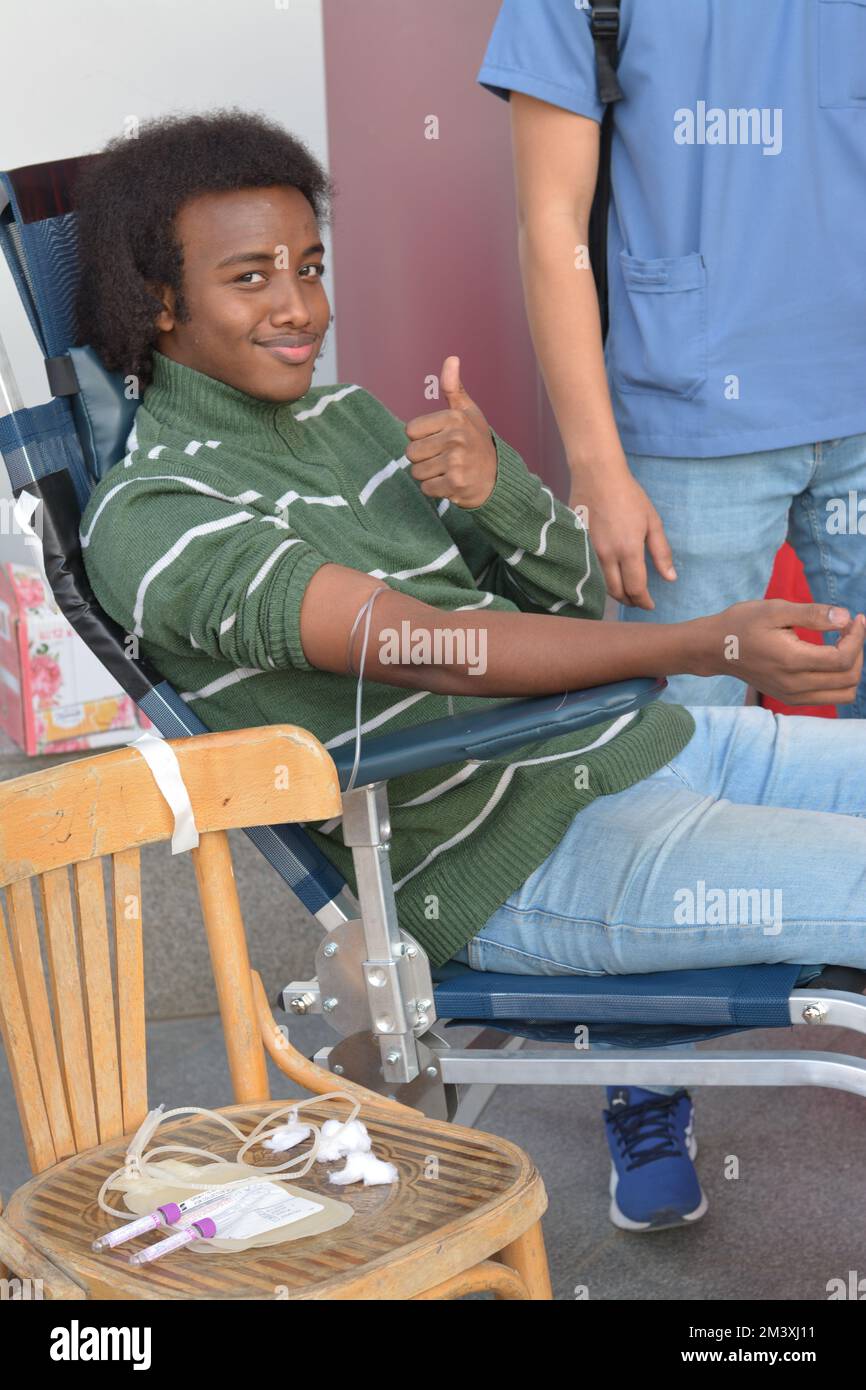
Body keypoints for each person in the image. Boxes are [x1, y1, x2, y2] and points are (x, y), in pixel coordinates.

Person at [77, 111, 866, 1234]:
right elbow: (423, 642)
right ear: (159, 305)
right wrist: (705, 643)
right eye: (250, 278)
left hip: (630, 750)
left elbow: (564, 605)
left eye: (308, 267)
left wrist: (492, 485)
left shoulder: (347, 421)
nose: (298, 307)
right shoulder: (155, 520)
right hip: (517, 858)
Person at [477, 0, 866, 1224]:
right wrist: (593, 460)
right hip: (686, 426)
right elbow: (549, 222)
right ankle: (643, 1084)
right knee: (653, 767)